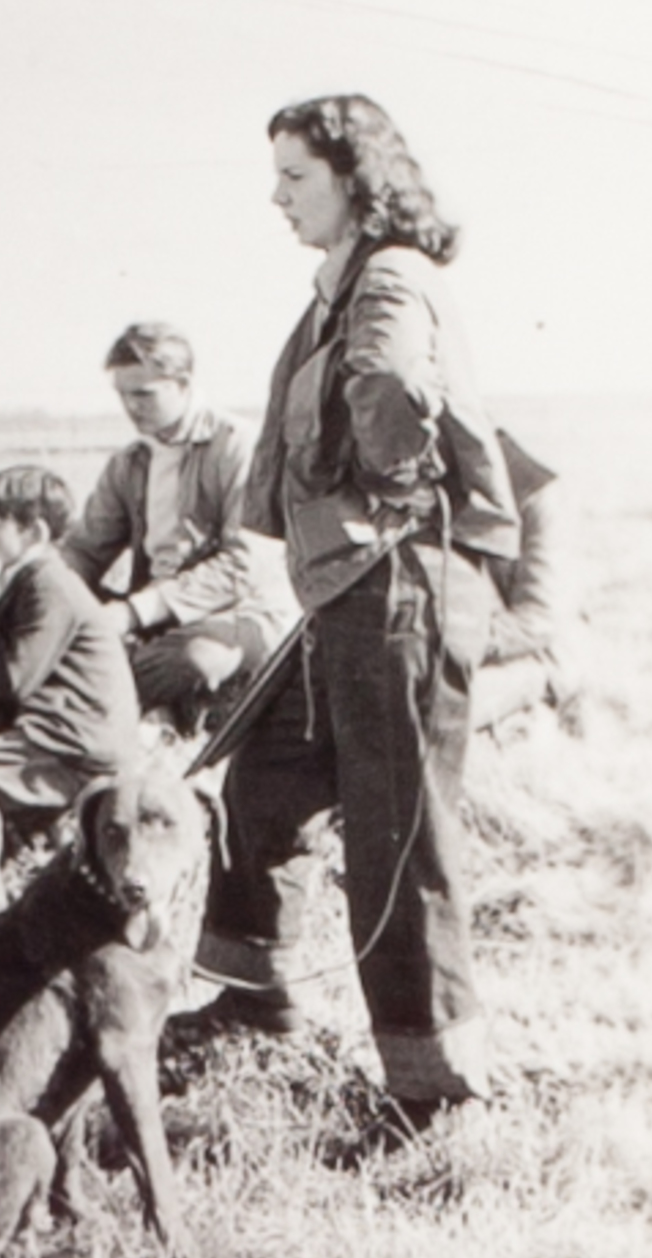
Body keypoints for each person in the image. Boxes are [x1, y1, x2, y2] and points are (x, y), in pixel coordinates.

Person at [178, 95, 520, 1135]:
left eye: (293, 177)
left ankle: (432, 1091)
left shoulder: (386, 280)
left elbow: (388, 388)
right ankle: (260, 995)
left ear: (354, 177)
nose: (274, 197)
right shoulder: (341, 284)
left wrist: (388, 497)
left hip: (398, 586)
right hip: (349, 590)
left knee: (394, 838)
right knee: (267, 775)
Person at [0, 465, 141, 944]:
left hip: (79, 746)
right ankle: (9, 864)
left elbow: (15, 680)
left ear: (35, 532)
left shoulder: (49, 585)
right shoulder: (32, 579)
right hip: (63, 732)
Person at [60, 322, 293, 738]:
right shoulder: (130, 462)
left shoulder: (238, 446)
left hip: (240, 613)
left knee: (194, 659)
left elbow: (244, 565)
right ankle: (132, 706)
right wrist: (46, 594)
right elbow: (84, 549)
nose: (131, 407)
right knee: (62, 610)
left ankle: (90, 701)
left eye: (144, 394)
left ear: (183, 384)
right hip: (156, 616)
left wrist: (131, 614)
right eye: (123, 395)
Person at [470, 428, 577, 735]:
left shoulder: (540, 496)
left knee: (436, 713)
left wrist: (456, 643)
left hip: (540, 659)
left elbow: (539, 621)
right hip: (476, 653)